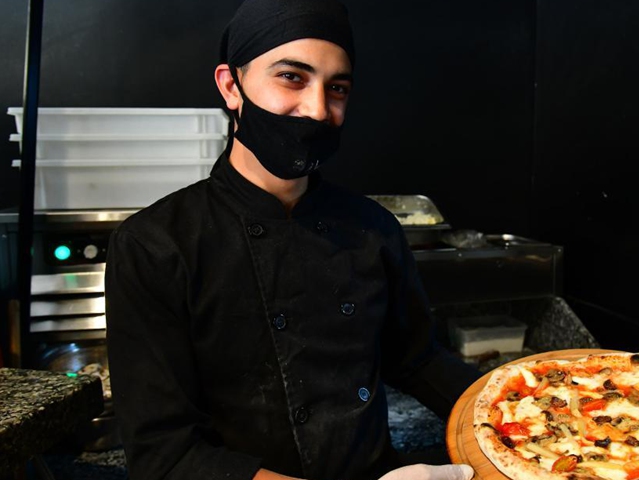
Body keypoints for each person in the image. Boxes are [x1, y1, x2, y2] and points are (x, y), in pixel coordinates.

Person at [105, 1, 482, 479]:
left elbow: (418, 358)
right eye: (292, 77)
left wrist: (518, 413)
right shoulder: (155, 245)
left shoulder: (373, 227)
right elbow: (166, 454)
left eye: (337, 88)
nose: (318, 109)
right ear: (230, 86)